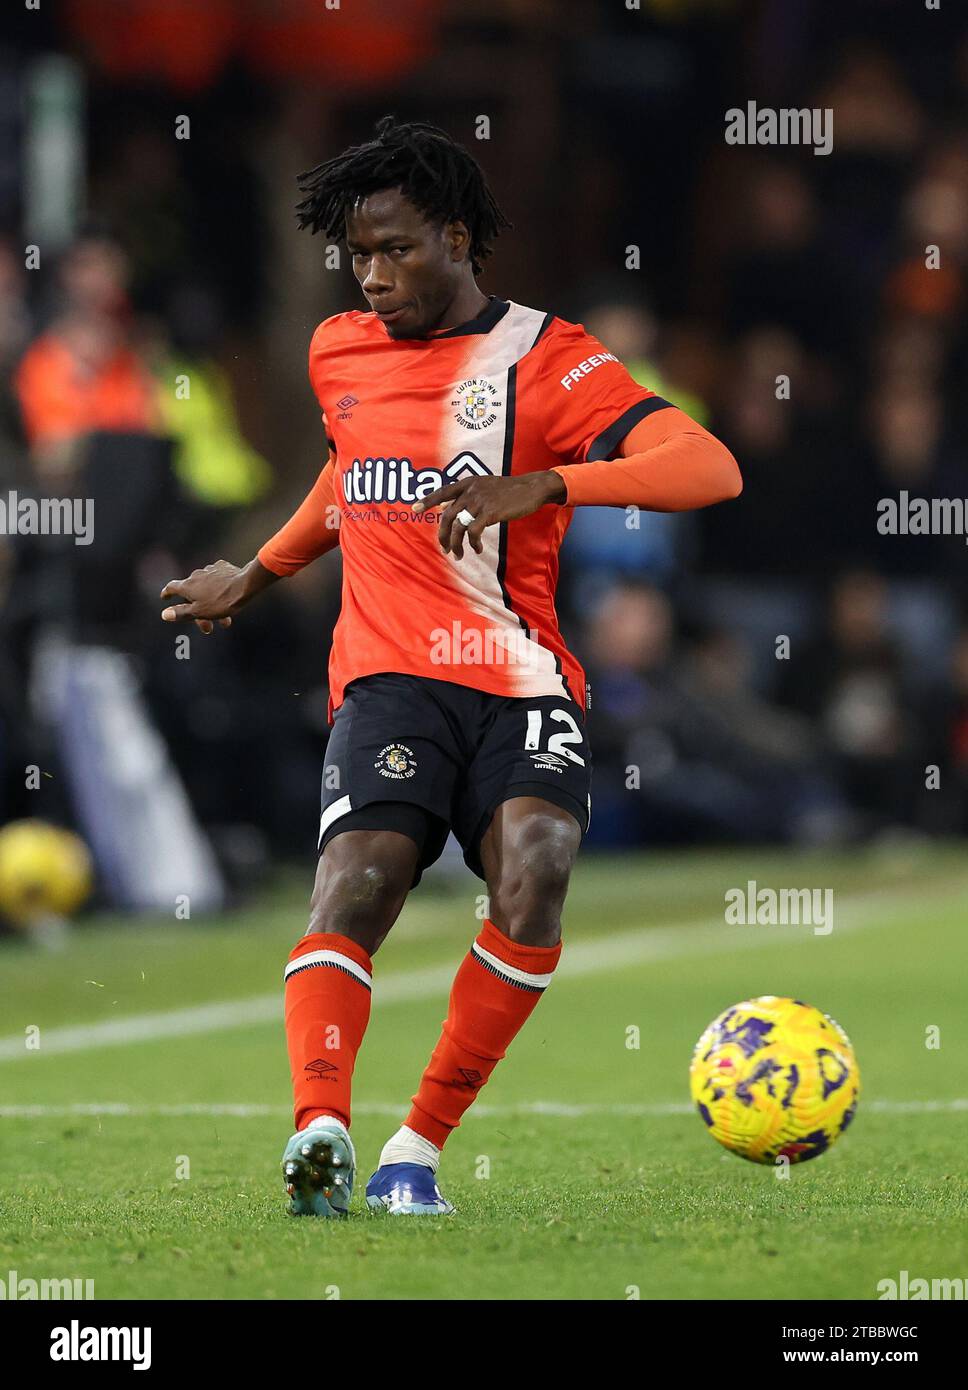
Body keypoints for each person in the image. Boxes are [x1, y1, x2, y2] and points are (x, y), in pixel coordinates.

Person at [159, 116, 741, 1217]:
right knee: (360, 877)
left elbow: (706, 466)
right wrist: (260, 570)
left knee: (536, 868)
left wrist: (554, 485)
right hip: (387, 675)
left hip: (517, 674)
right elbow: (351, 472)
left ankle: (412, 1150)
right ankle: (318, 1129)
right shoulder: (336, 349)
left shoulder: (550, 358)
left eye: (398, 250)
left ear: (460, 237)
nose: (374, 277)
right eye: (359, 255)